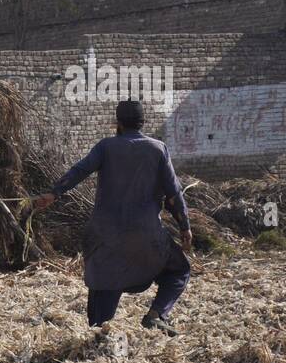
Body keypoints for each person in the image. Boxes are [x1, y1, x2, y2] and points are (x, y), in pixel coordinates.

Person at [33, 99, 194, 336]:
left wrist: (54, 193)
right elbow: (174, 194)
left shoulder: (106, 147)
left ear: (117, 123)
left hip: (105, 236)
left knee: (105, 284)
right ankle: (156, 314)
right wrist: (185, 227)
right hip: (147, 235)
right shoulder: (158, 149)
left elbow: (80, 170)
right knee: (178, 270)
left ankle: (99, 333)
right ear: (143, 123)